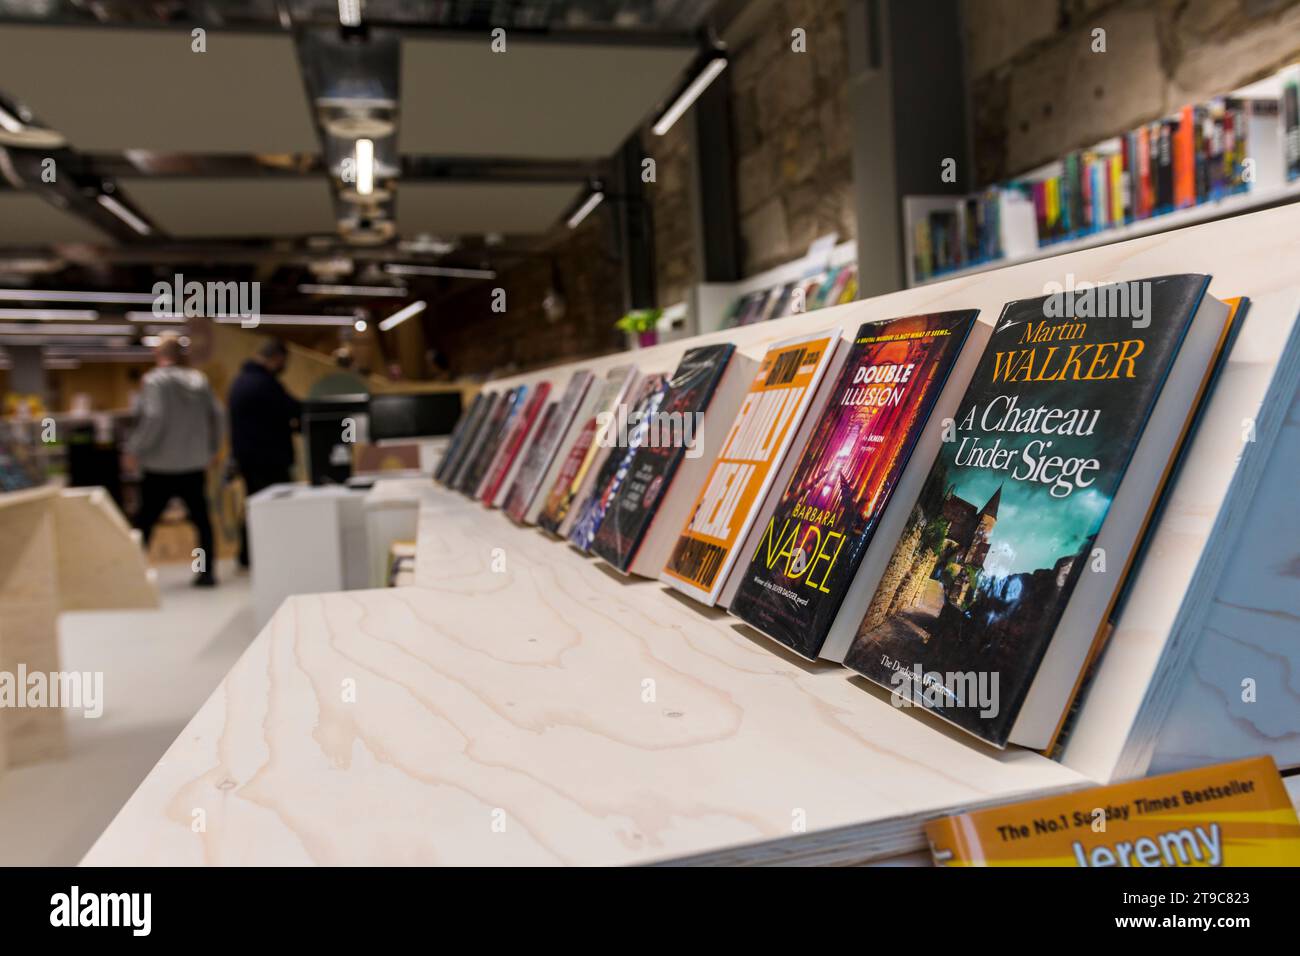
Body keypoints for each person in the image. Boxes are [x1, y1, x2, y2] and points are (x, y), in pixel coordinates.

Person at [126, 332, 223, 587]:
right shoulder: (199, 380)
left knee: (145, 522)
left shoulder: (155, 381)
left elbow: (154, 417)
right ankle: (207, 571)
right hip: (194, 463)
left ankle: (133, 573)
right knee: (201, 522)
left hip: (159, 466)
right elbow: (219, 414)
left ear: (159, 354)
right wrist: (213, 449)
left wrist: (135, 449)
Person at [228, 337, 302, 568]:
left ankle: (247, 556)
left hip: (249, 459)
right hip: (269, 461)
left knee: (254, 507)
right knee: (270, 510)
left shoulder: (240, 382)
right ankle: (265, 555)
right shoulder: (265, 384)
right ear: (276, 358)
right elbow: (293, 410)